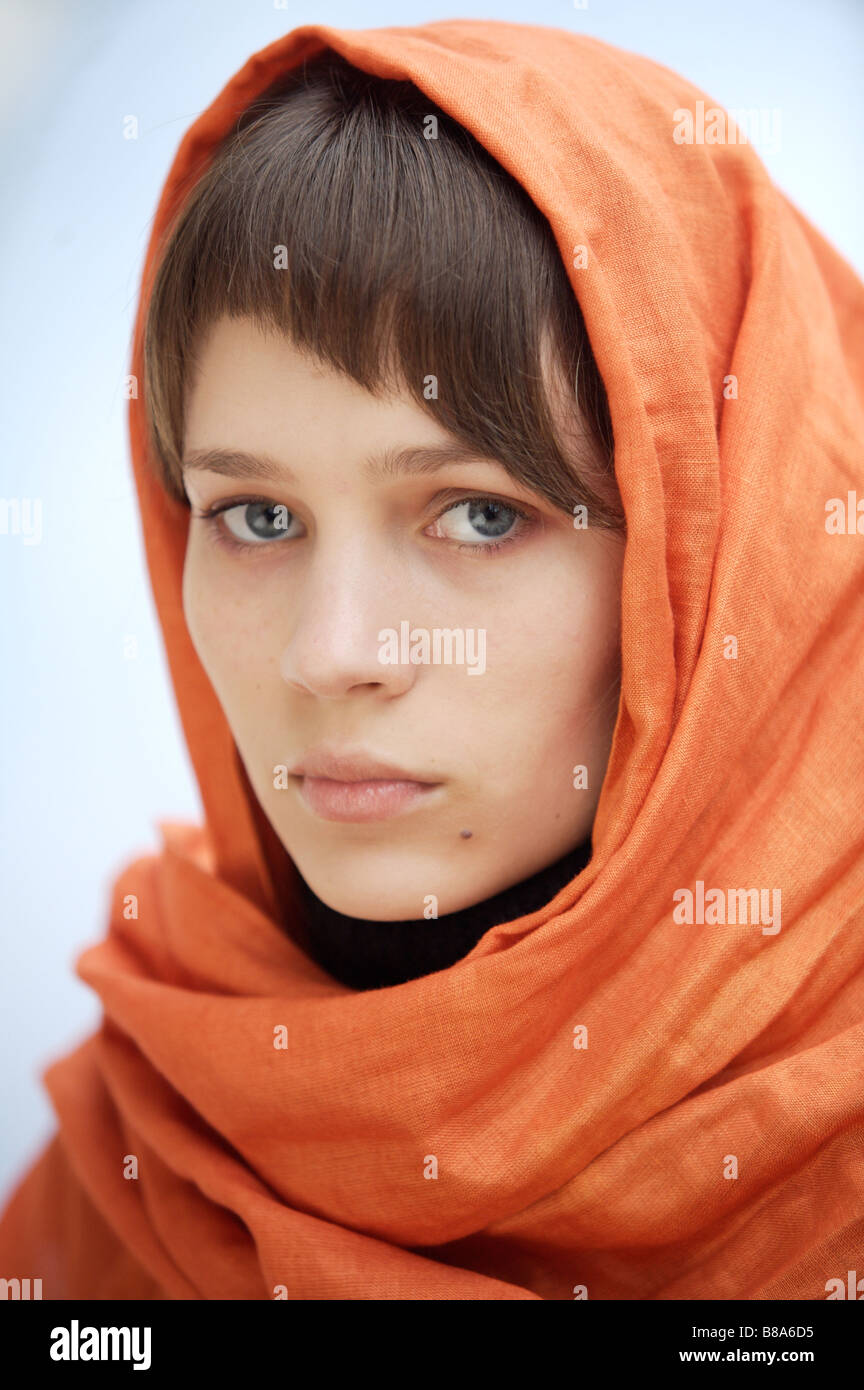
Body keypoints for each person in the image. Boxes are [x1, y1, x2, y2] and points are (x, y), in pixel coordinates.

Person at [0, 18, 862, 1301]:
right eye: (257, 517)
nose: (333, 653)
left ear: (726, 551)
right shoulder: (145, 1138)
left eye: (478, 513)